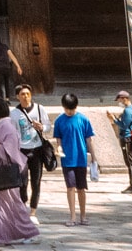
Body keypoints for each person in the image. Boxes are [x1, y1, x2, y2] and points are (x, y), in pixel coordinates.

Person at [0, 98, 39, 246]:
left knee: (11, 205)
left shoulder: (6, 126)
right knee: (6, 205)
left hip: (6, 169)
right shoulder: (2, 125)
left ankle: (4, 235)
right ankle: (6, 234)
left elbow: (11, 150)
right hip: (0, 168)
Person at [52, 93, 94, 226]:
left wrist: (94, 156)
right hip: (67, 159)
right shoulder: (59, 121)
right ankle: (72, 216)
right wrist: (58, 149)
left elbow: (89, 139)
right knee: (70, 187)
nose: (69, 111)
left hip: (81, 158)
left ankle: (83, 215)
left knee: (81, 188)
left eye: (71, 109)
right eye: (67, 109)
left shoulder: (83, 119)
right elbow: (58, 139)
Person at [11, 86, 51, 211]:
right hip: (22, 150)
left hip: (37, 149)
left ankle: (33, 211)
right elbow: (12, 132)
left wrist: (42, 127)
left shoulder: (40, 109)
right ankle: (23, 206)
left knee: (36, 181)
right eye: (22, 94)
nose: (26, 96)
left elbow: (48, 126)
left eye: (28, 93)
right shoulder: (14, 113)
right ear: (17, 96)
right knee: (22, 182)